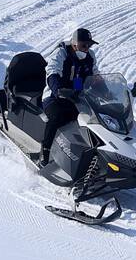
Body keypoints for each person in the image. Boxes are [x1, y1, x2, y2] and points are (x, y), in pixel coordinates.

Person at [40, 28, 98, 162]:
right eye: (84, 45)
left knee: (92, 118)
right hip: (54, 96)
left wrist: (106, 90)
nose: (87, 49)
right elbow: (52, 71)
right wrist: (58, 89)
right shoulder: (62, 52)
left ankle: (91, 151)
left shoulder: (90, 56)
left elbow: (95, 75)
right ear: (74, 44)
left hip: (76, 94)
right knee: (57, 116)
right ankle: (45, 151)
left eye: (89, 45)